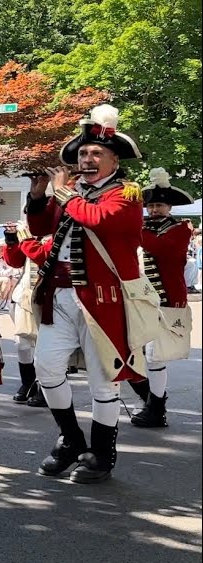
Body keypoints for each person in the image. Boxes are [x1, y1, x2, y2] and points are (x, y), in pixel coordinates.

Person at [27, 104, 143, 484]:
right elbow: (41, 225)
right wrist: (40, 195)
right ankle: (72, 440)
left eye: (96, 153)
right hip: (58, 295)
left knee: (102, 381)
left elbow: (99, 220)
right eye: (82, 154)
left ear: (113, 160)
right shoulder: (70, 193)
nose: (87, 159)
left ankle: (103, 454)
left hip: (102, 301)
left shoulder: (127, 194)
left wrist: (65, 196)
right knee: (46, 369)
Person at [128, 168, 194, 428]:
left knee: (155, 356)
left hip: (165, 300)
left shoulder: (180, 229)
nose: (154, 209)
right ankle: (150, 401)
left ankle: (157, 408)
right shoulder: (141, 229)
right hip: (139, 301)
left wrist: (133, 228)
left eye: (160, 205)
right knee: (133, 353)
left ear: (169, 207)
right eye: (151, 205)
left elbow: (160, 249)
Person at [3, 225, 48, 407]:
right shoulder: (32, 233)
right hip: (25, 295)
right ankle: (27, 382)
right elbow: (15, 261)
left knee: (45, 346)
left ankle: (45, 386)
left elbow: (41, 256)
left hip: (48, 295)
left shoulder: (57, 230)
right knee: (22, 343)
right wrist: (12, 239)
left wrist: (27, 239)